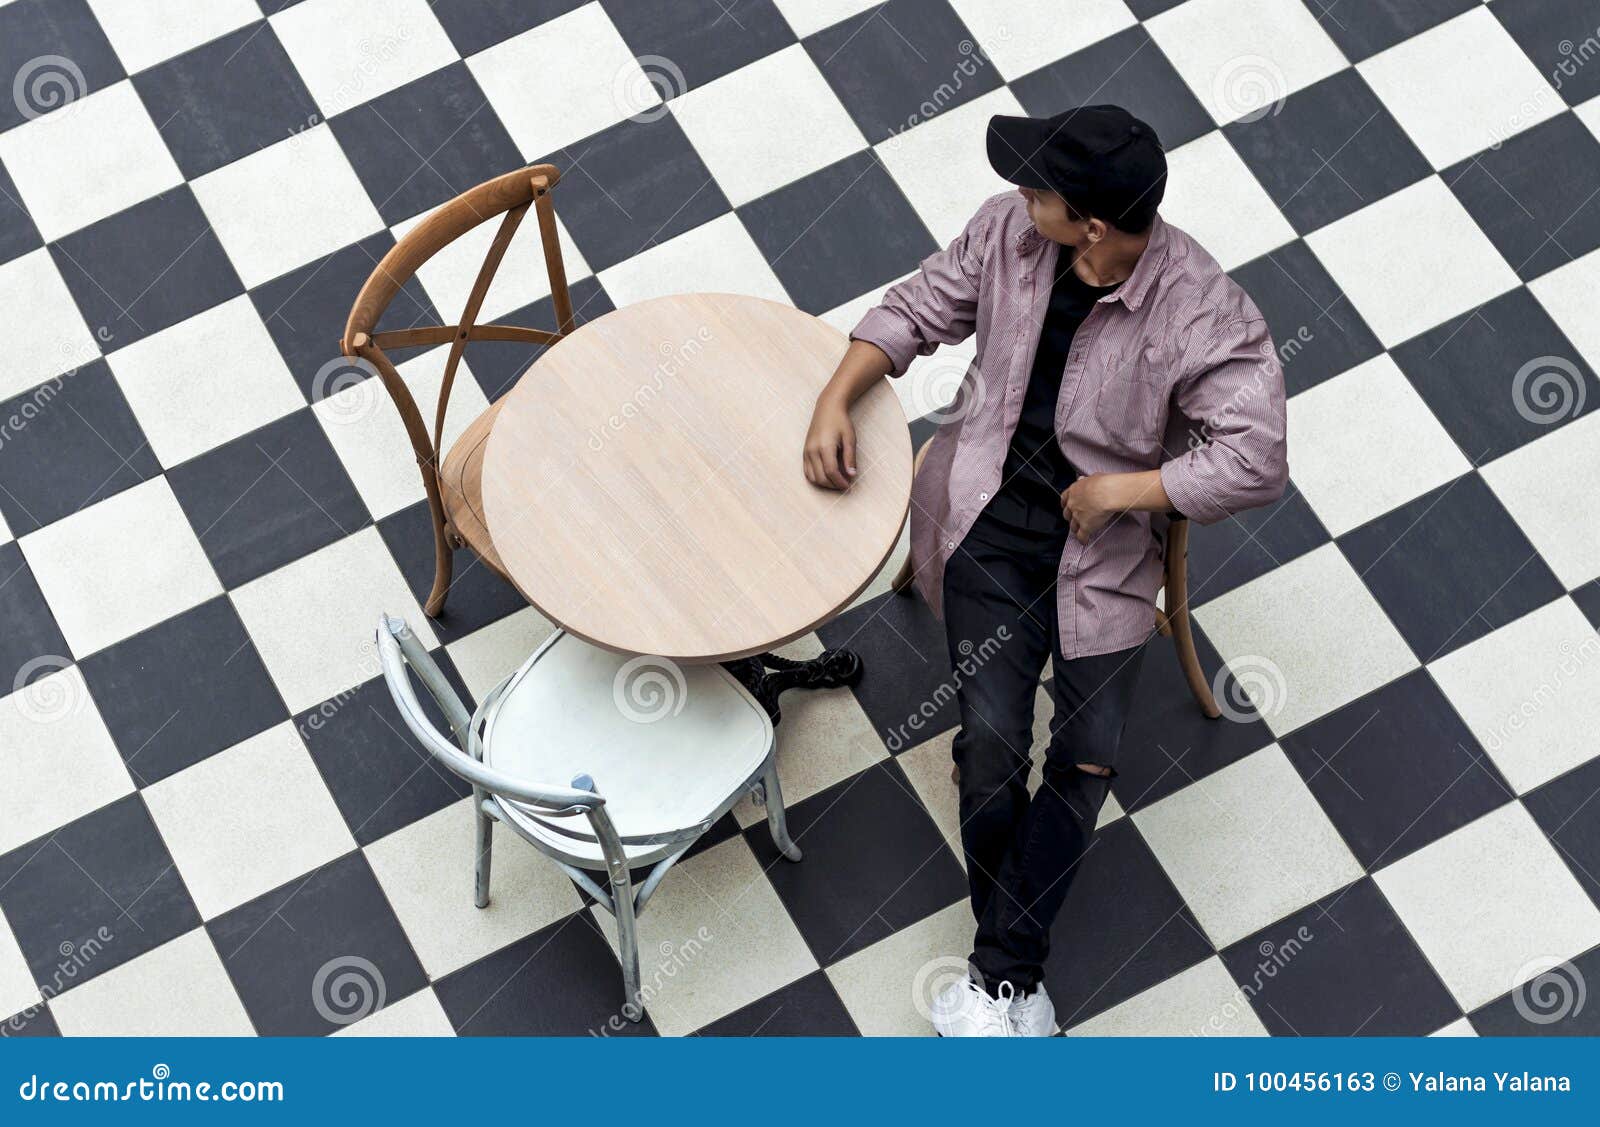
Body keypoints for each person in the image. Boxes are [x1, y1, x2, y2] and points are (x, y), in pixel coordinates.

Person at [802, 105, 1289, 1036]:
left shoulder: (1202, 308)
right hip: (984, 526)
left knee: (1088, 758)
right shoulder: (1006, 231)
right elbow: (916, 308)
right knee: (988, 754)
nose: (1020, 195)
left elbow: (1257, 454)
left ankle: (995, 976)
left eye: (1040, 190)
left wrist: (1127, 490)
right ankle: (1010, 982)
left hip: (1097, 561)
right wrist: (835, 394)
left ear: (1093, 226)